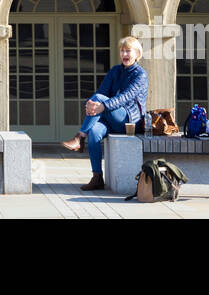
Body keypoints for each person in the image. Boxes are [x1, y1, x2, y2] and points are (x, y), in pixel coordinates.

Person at [60, 35, 149, 191]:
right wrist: (93, 105)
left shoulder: (140, 75)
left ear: (137, 53)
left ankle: (80, 137)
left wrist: (102, 106)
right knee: (94, 132)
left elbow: (125, 97)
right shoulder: (115, 70)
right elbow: (101, 92)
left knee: (99, 99)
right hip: (111, 116)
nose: (124, 55)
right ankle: (97, 177)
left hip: (129, 120)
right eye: (122, 51)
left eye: (128, 51)